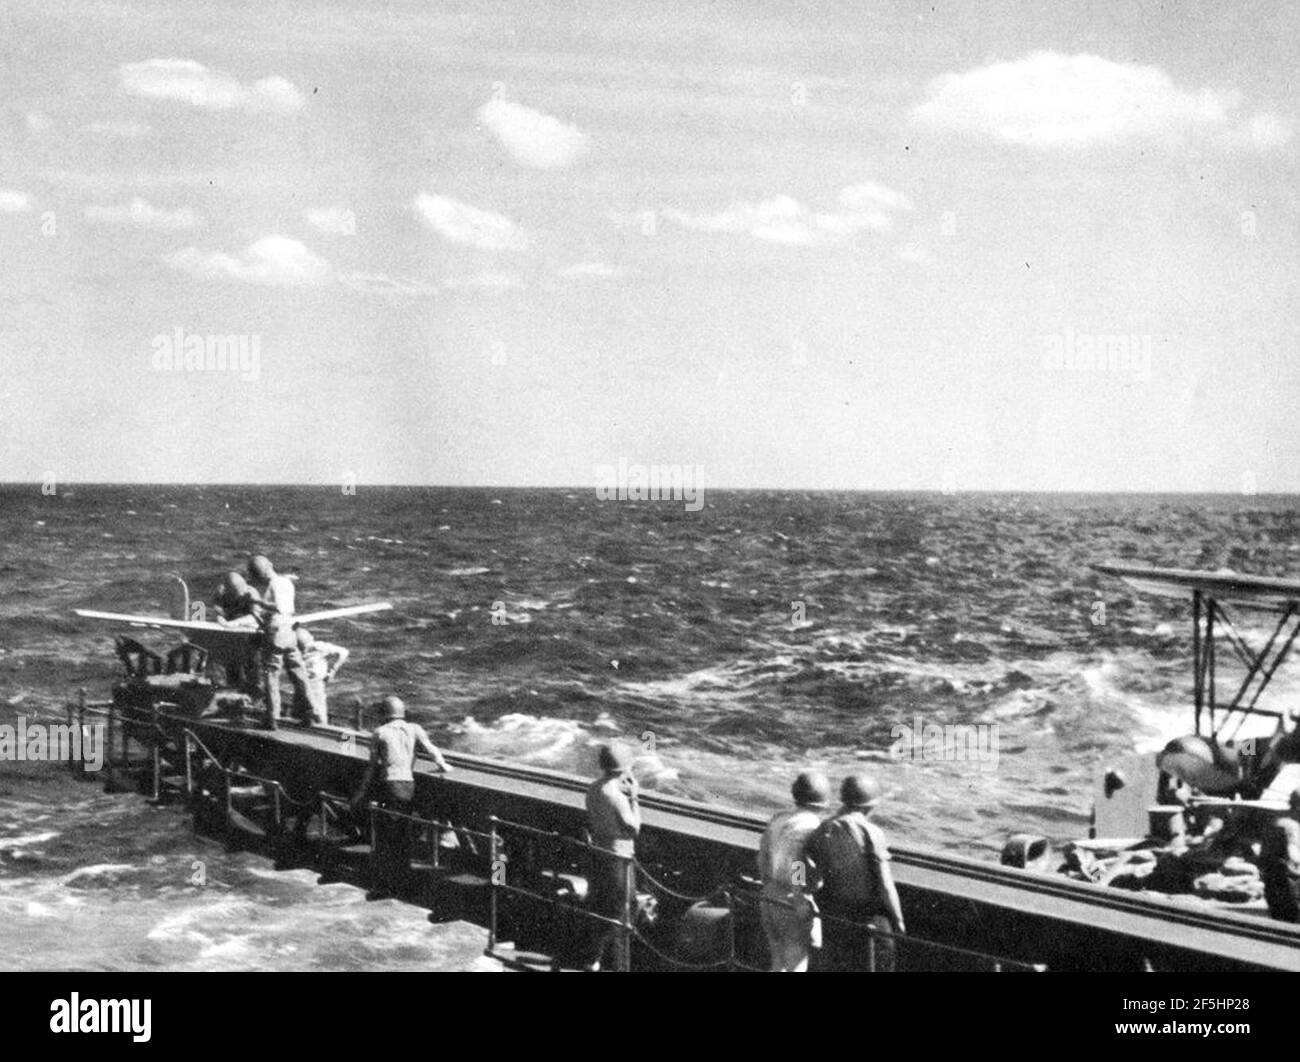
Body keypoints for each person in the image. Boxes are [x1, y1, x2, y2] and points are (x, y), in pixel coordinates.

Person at [802, 774, 905, 972]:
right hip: (869, 919)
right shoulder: (870, 832)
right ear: (869, 806)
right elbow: (885, 884)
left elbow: (799, 862)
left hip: (835, 917)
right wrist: (898, 921)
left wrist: (801, 889)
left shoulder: (823, 829)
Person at [351, 696, 452, 896]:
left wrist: (359, 794)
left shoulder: (379, 732)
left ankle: (388, 883)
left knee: (387, 836)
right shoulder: (415, 729)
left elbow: (371, 768)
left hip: (389, 786)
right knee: (402, 833)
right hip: (408, 786)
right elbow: (432, 750)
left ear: (384, 714)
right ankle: (404, 875)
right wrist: (444, 765)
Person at [758, 771, 830, 972]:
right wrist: (798, 898)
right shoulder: (812, 826)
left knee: (777, 963)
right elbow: (797, 862)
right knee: (796, 964)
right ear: (823, 802)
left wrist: (767, 886)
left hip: (770, 894)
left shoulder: (778, 819)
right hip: (791, 899)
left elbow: (762, 856)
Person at [583, 743, 641, 971]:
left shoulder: (594, 789)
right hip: (619, 860)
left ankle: (593, 960)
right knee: (620, 915)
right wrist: (634, 798)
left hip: (600, 853)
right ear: (623, 769)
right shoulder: (616, 796)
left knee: (605, 909)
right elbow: (634, 828)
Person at [245, 555, 315, 728]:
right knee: (299, 673)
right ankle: (310, 712)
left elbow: (277, 607)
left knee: (271, 675)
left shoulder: (272, 586)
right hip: (290, 631)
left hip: (276, 633)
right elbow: (287, 609)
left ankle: (272, 718)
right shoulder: (286, 582)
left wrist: (256, 602)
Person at [293, 626, 348, 726]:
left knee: (318, 708)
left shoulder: (318, 646)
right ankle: (308, 723)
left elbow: (343, 652)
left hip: (315, 680)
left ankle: (321, 725)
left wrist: (333, 670)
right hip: (304, 679)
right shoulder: (296, 649)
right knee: (303, 706)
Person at [1260, 787, 1300, 923]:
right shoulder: (1291, 826)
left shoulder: (1276, 822)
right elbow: (1294, 856)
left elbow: (1263, 853)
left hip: (1272, 878)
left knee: (1278, 921)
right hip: (1289, 881)